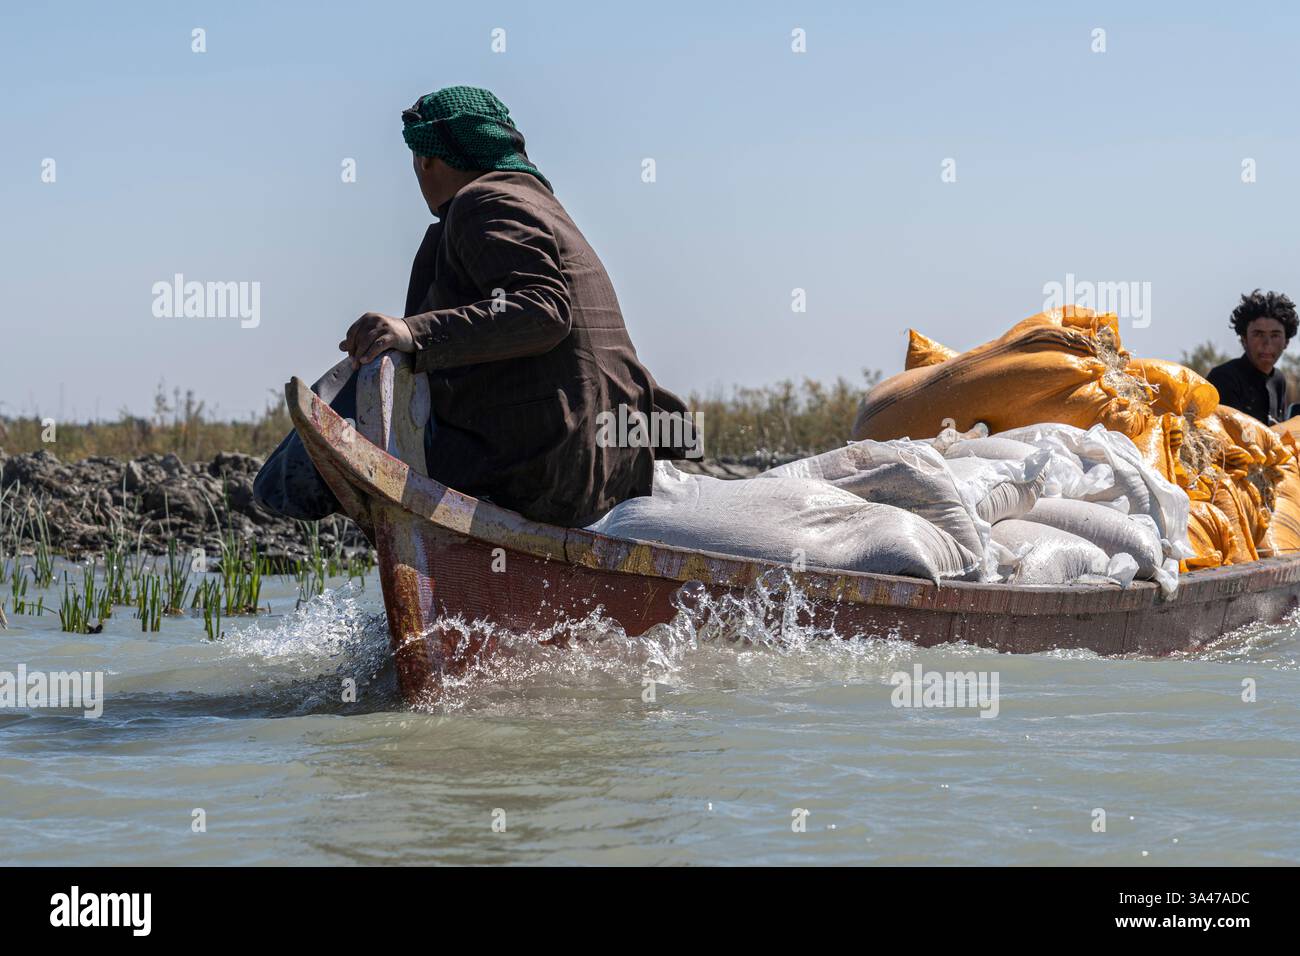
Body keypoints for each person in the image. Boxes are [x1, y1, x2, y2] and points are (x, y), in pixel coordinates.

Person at [255, 86, 688, 527]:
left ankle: (295, 500)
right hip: (618, 465)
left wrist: (412, 332)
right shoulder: (542, 206)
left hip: (552, 466)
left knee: (316, 439)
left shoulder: (482, 201)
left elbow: (543, 312)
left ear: (427, 159)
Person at [1206, 289, 1297, 424]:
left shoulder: (1279, 381)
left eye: (1275, 335)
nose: (1267, 344)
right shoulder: (1224, 378)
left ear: (1286, 342)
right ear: (1244, 339)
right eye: (1258, 334)